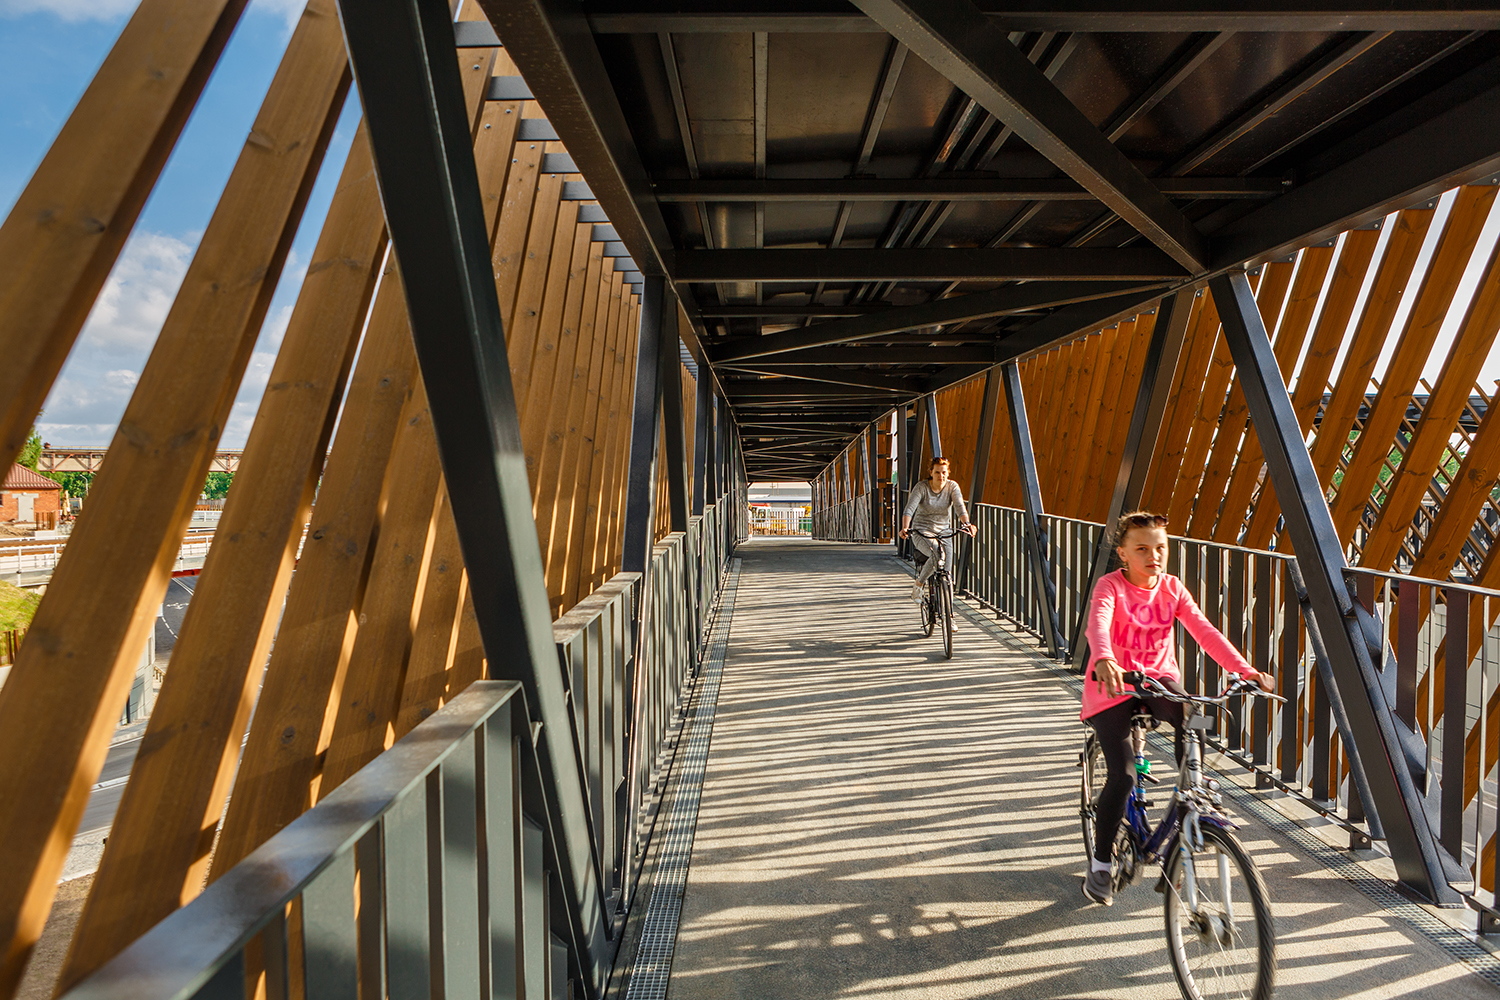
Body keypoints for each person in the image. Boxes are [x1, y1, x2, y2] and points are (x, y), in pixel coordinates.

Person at [1080, 510, 1272, 906]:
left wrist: (1246, 671)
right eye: (1142, 549)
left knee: (1193, 716)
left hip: (1157, 681)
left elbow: (1205, 632)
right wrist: (1104, 658)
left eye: (1160, 548)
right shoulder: (1110, 586)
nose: (1154, 556)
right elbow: (1098, 623)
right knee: (1124, 775)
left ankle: (1191, 798)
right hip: (1113, 685)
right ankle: (1100, 863)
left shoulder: (1171, 588)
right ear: (1123, 554)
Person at [898, 457, 977, 604]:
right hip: (922, 531)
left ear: (948, 473)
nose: (941, 476)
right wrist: (905, 527)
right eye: (937, 472)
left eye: (944, 472)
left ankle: (948, 611)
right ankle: (919, 584)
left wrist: (967, 524)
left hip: (944, 532)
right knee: (937, 553)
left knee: (947, 571)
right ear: (931, 473)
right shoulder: (922, 487)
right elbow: (909, 509)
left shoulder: (952, 486)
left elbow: (960, 508)